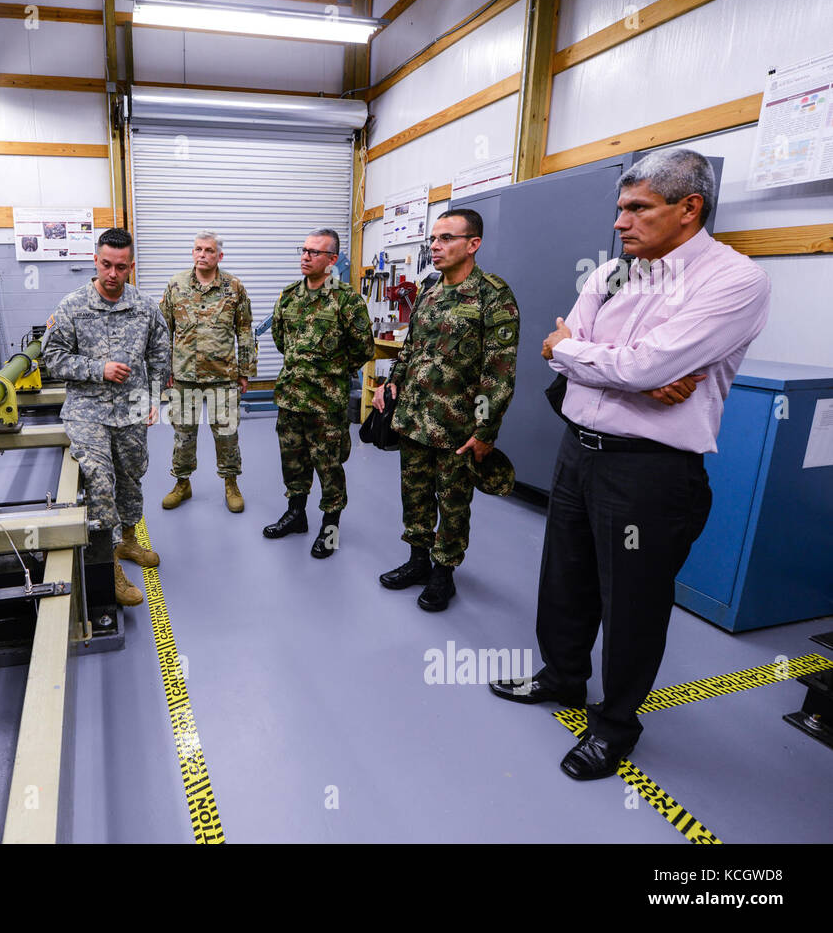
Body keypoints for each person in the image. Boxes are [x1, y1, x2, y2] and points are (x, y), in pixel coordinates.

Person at [488, 148, 770, 779]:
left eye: (638, 208)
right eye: (620, 207)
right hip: (578, 452)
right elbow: (563, 349)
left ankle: (615, 725)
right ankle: (562, 678)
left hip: (649, 472)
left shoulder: (734, 280)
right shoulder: (611, 274)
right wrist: (617, 365)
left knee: (632, 604)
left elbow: (644, 364)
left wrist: (601, 358)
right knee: (565, 579)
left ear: (689, 208)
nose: (621, 222)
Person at [373, 209, 519, 611]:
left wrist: (485, 430)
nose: (436, 246)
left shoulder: (493, 294)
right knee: (414, 495)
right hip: (415, 419)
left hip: (458, 426)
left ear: (473, 244)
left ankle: (444, 573)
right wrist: (391, 382)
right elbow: (411, 349)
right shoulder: (430, 290)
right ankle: (417, 560)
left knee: (453, 502)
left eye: (447, 238)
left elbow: (499, 371)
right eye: (433, 239)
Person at [42, 228, 171, 606]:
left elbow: (160, 355)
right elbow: (53, 359)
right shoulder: (72, 306)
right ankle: (109, 563)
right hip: (88, 410)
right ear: (95, 262)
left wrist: (153, 397)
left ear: (131, 266)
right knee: (100, 479)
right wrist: (98, 369)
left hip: (130, 409)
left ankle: (129, 540)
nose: (112, 274)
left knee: (131, 475)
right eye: (105, 265)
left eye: (120, 267)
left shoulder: (146, 308)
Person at [263, 228, 373, 558]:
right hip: (291, 398)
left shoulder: (346, 300)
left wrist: (330, 371)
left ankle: (330, 528)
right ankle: (296, 515)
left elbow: (364, 347)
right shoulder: (288, 295)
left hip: (327, 403)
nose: (306, 256)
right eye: (304, 249)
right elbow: (282, 340)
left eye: (315, 252)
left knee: (329, 465)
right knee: (293, 462)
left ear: (331, 260)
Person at [159, 232, 257, 513]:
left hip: (223, 376)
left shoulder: (234, 287)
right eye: (198, 249)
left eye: (209, 250)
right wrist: (165, 369)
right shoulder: (175, 285)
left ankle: (231, 483)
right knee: (183, 434)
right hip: (184, 376)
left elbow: (245, 330)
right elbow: (164, 331)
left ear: (219, 256)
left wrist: (245, 371)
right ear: (193, 253)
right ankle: (182, 483)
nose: (202, 254)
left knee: (227, 433)